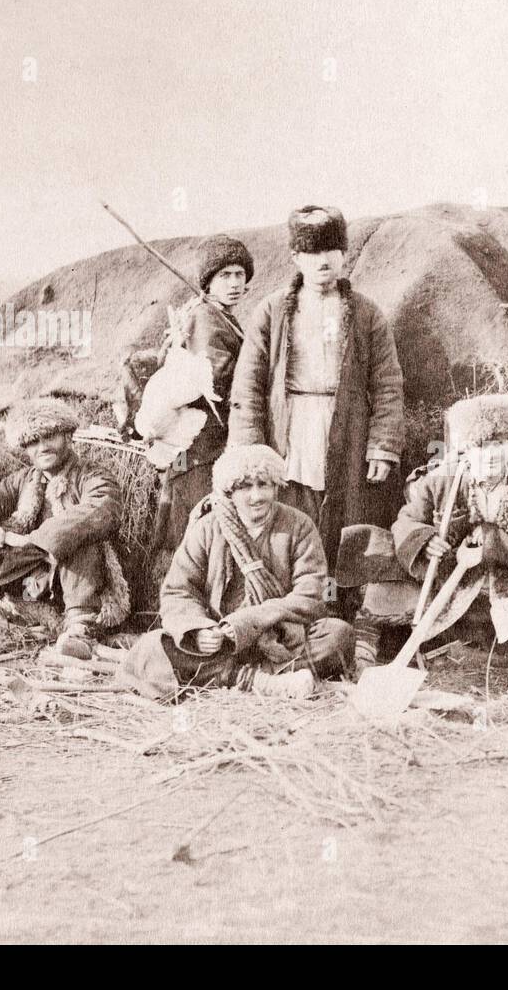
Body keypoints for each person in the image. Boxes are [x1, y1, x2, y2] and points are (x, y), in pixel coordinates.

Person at [348, 394, 508, 698]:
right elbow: (405, 521)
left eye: (500, 442)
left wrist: (496, 544)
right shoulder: (441, 481)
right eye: (481, 445)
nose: (492, 454)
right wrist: (423, 539)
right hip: (450, 578)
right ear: (464, 450)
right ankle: (364, 656)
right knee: (377, 556)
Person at [228, 205, 405, 570]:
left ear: (344, 254)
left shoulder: (367, 313)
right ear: (296, 257)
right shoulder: (273, 311)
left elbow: (388, 383)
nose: (322, 260)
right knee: (291, 511)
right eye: (311, 251)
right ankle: (293, 598)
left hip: (347, 427)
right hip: (289, 425)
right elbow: (247, 385)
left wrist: (383, 446)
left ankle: (343, 605)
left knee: (347, 513)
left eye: (331, 249)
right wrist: (250, 449)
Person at [118, 444, 354, 700]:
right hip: (221, 642)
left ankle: (227, 676)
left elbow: (312, 596)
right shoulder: (208, 528)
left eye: (264, 485)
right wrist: (198, 630)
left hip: (279, 637)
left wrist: (250, 622)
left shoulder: (299, 526)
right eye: (245, 487)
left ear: (276, 486)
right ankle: (259, 680)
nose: (256, 496)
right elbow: (178, 591)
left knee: (338, 636)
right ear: (230, 492)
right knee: (153, 647)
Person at [0, 397, 129, 652]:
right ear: (25, 448)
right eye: (33, 441)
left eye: (50, 436)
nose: (42, 447)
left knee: (82, 538)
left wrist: (35, 540)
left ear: (69, 436)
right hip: (32, 585)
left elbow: (103, 506)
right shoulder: (22, 482)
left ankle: (81, 632)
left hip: (79, 584)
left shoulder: (92, 475)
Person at [153, 233, 254, 549]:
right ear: (208, 282)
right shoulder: (206, 318)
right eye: (225, 275)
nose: (234, 283)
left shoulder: (219, 315)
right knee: (197, 523)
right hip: (201, 442)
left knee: (191, 520)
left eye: (240, 274)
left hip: (199, 441)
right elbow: (215, 379)